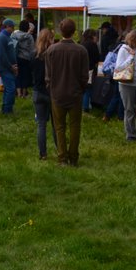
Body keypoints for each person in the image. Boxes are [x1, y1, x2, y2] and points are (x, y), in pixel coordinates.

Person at [44, 18, 90, 166]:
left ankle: (62, 157)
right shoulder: (81, 50)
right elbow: (85, 76)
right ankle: (73, 157)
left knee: (59, 127)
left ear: (60, 31)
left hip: (57, 93)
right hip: (75, 93)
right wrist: (81, 89)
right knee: (75, 126)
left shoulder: (52, 50)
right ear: (74, 31)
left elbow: (48, 75)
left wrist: (52, 88)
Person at [116, 29, 136, 141]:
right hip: (126, 84)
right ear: (135, 40)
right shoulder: (123, 50)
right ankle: (130, 134)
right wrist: (130, 57)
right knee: (129, 110)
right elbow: (119, 67)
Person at [31, 28, 56, 160]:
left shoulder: (34, 55)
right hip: (51, 92)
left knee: (41, 124)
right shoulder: (53, 55)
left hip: (38, 91)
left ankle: (43, 153)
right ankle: (60, 151)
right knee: (56, 124)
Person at [0, 18, 18, 114]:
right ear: (7, 27)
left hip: (10, 67)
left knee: (8, 88)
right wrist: (11, 67)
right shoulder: (1, 37)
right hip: (5, 68)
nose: (13, 29)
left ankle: (5, 108)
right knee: (11, 88)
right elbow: (1, 55)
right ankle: (8, 110)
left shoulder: (8, 37)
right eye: (12, 27)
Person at [80, 29, 102, 111]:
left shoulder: (82, 44)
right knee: (88, 88)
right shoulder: (93, 45)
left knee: (82, 88)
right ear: (93, 36)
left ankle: (82, 104)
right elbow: (97, 58)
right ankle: (85, 107)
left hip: (81, 69)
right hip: (90, 69)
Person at [13, 20, 36, 99]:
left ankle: (18, 93)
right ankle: (24, 93)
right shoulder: (29, 36)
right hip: (26, 58)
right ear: (27, 27)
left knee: (18, 75)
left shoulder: (15, 34)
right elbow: (32, 49)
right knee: (25, 75)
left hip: (17, 57)